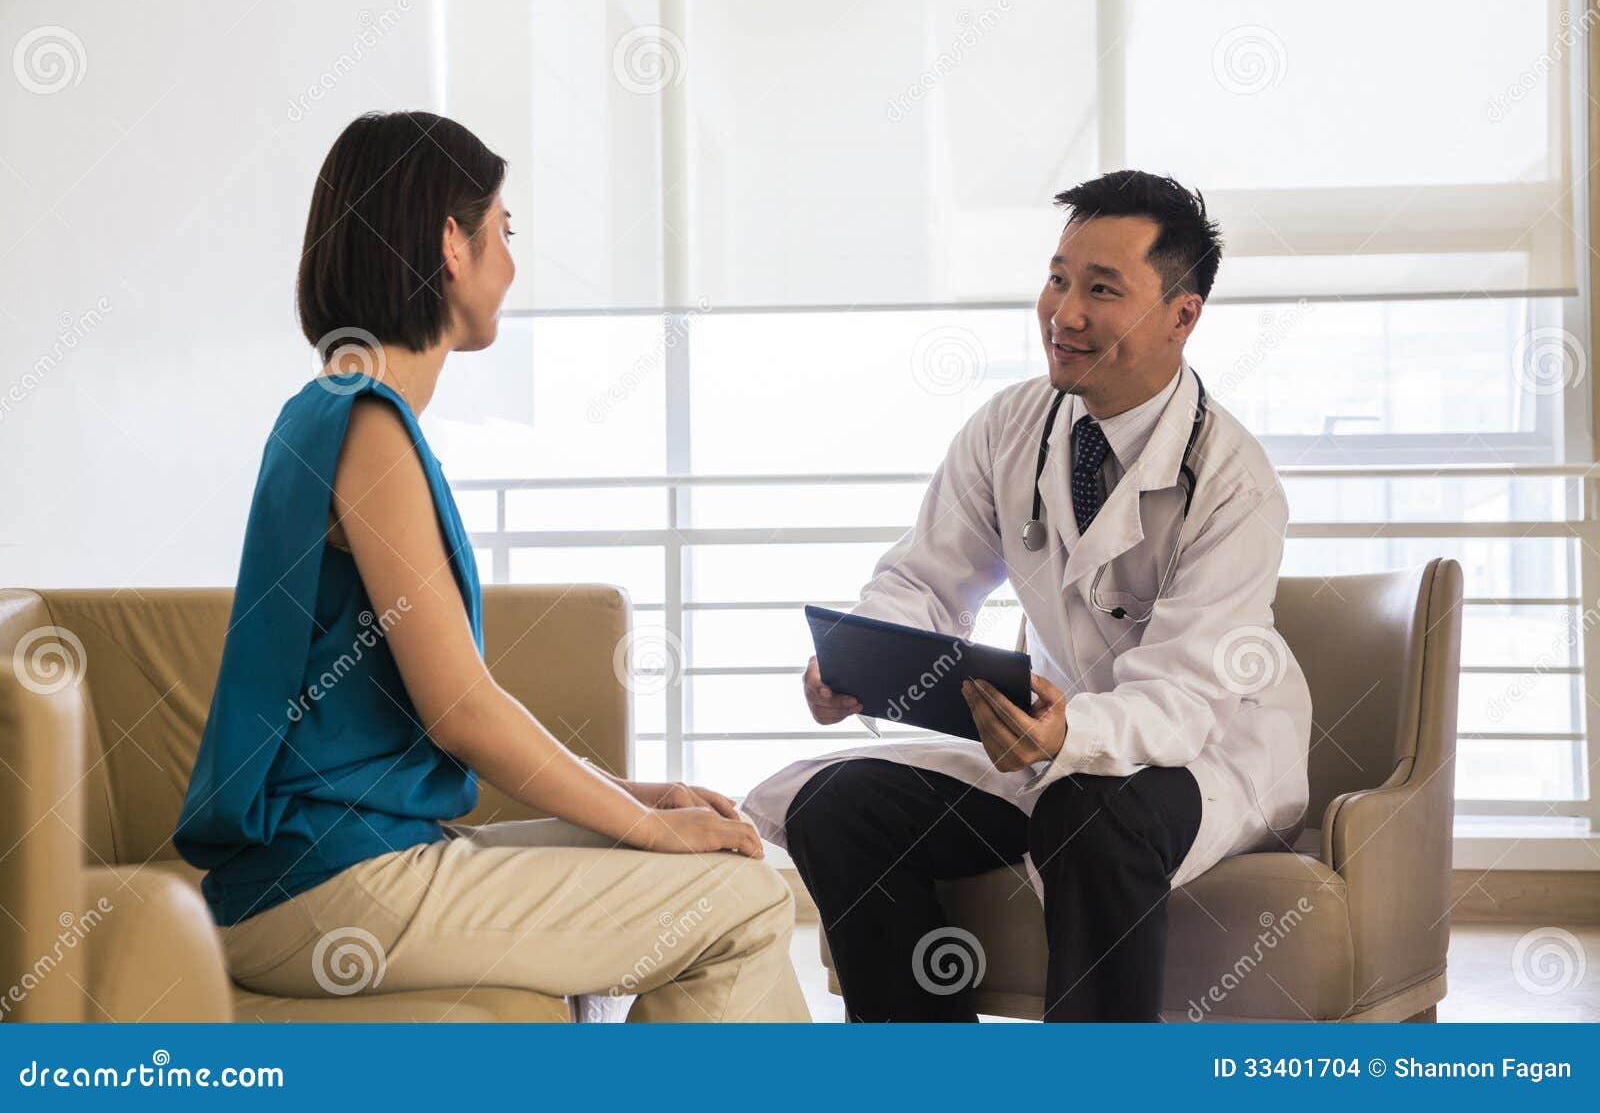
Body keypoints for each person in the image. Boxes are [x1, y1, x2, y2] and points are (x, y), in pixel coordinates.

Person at [174, 110, 809, 1022]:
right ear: (451, 244)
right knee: (751, 906)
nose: (512, 264)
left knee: (716, 869)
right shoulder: (368, 426)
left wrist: (643, 799)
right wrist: (646, 823)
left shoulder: (331, 408)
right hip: (327, 887)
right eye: (504, 232)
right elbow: (462, 709)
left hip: (349, 863)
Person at [744, 171, 1312, 1022]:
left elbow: (1186, 699)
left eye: (1101, 289)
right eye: (1057, 278)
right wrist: (860, 656)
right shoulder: (1011, 427)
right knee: (838, 808)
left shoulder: (1235, 484)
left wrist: (1068, 731)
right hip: (1047, 742)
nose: (1064, 313)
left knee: (1093, 813)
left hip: (1208, 752)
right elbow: (926, 583)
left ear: (1182, 316)